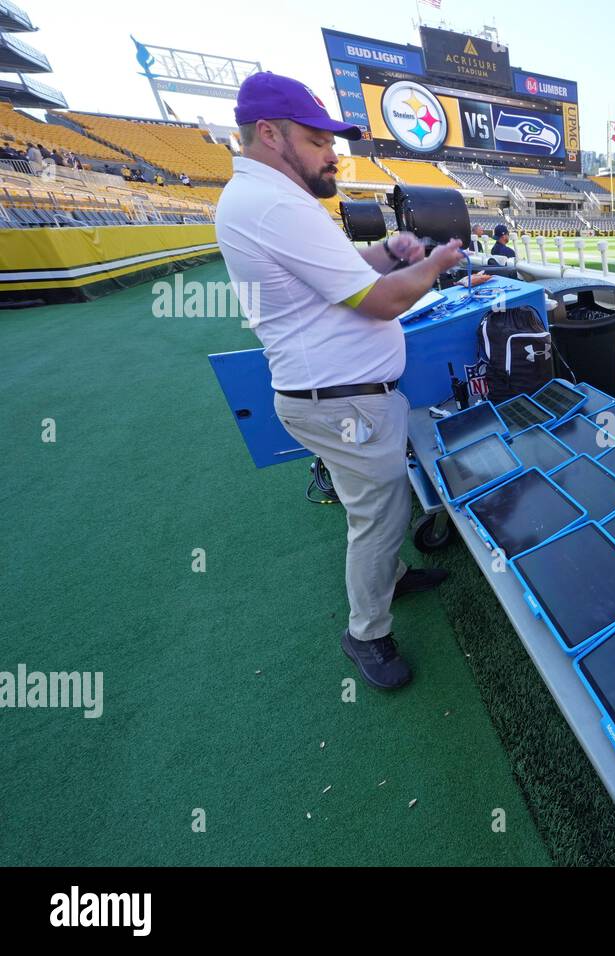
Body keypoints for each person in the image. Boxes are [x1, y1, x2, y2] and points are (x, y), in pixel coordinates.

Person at [216, 72, 464, 691]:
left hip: (338, 396)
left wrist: (391, 254)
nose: (333, 152)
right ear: (270, 134)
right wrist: (433, 265)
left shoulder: (270, 198)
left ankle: (391, 575)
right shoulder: (272, 202)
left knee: (377, 510)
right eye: (318, 138)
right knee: (376, 516)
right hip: (341, 402)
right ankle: (366, 633)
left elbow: (343, 274)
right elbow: (379, 302)